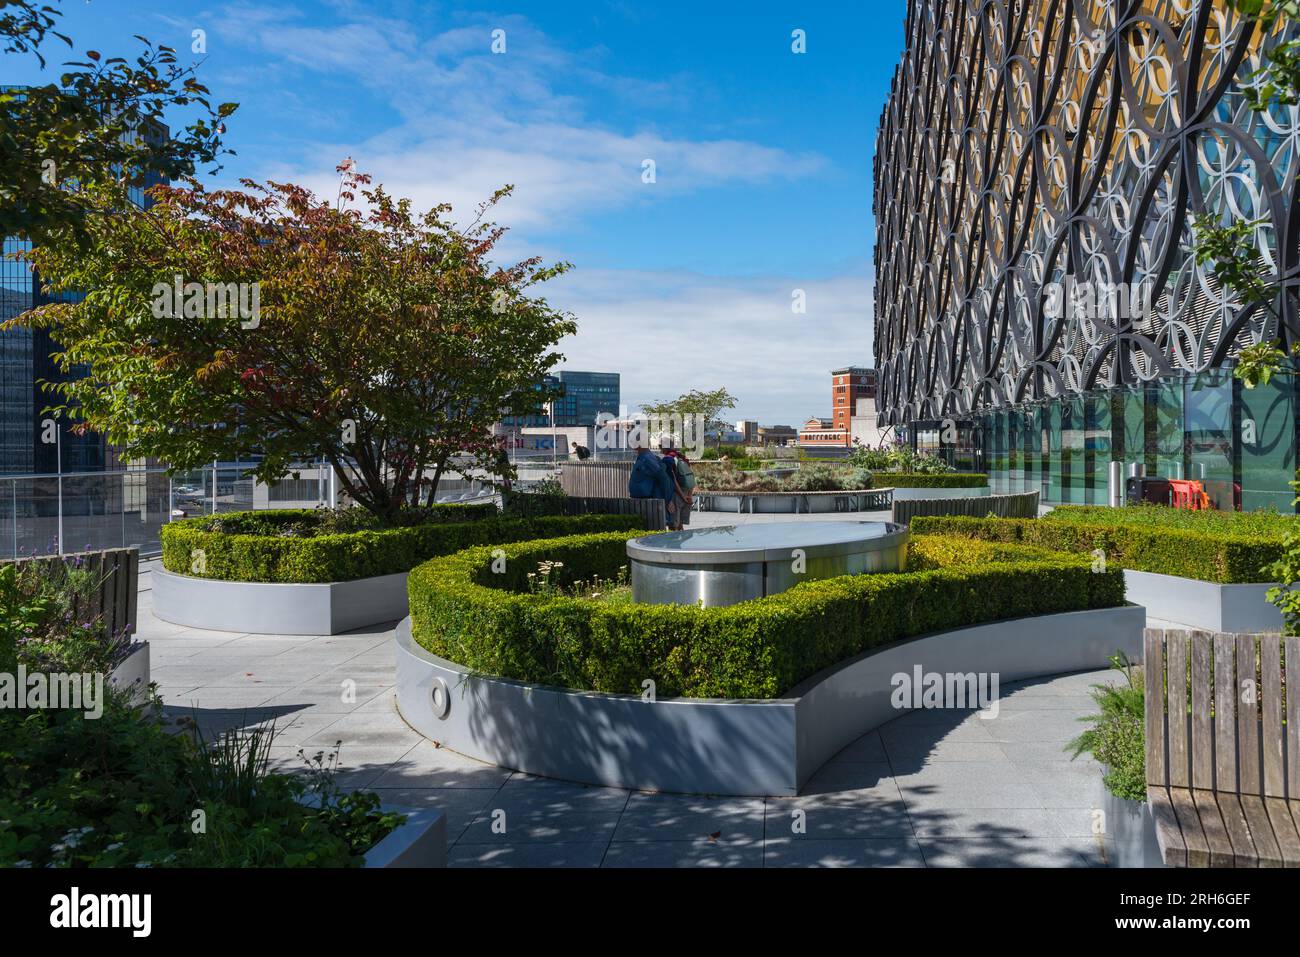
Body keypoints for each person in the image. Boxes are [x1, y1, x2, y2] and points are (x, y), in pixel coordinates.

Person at [628, 443, 675, 524]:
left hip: (649, 504)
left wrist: (668, 500)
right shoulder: (643, 457)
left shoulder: (648, 458)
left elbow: (664, 478)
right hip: (642, 502)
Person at [661, 441, 695, 531]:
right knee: (680, 525)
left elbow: (673, 480)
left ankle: (674, 545)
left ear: (664, 448)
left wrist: (683, 497)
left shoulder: (667, 459)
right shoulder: (681, 457)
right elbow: (691, 476)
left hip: (676, 495)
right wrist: (689, 496)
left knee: (673, 526)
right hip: (686, 493)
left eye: (660, 446)